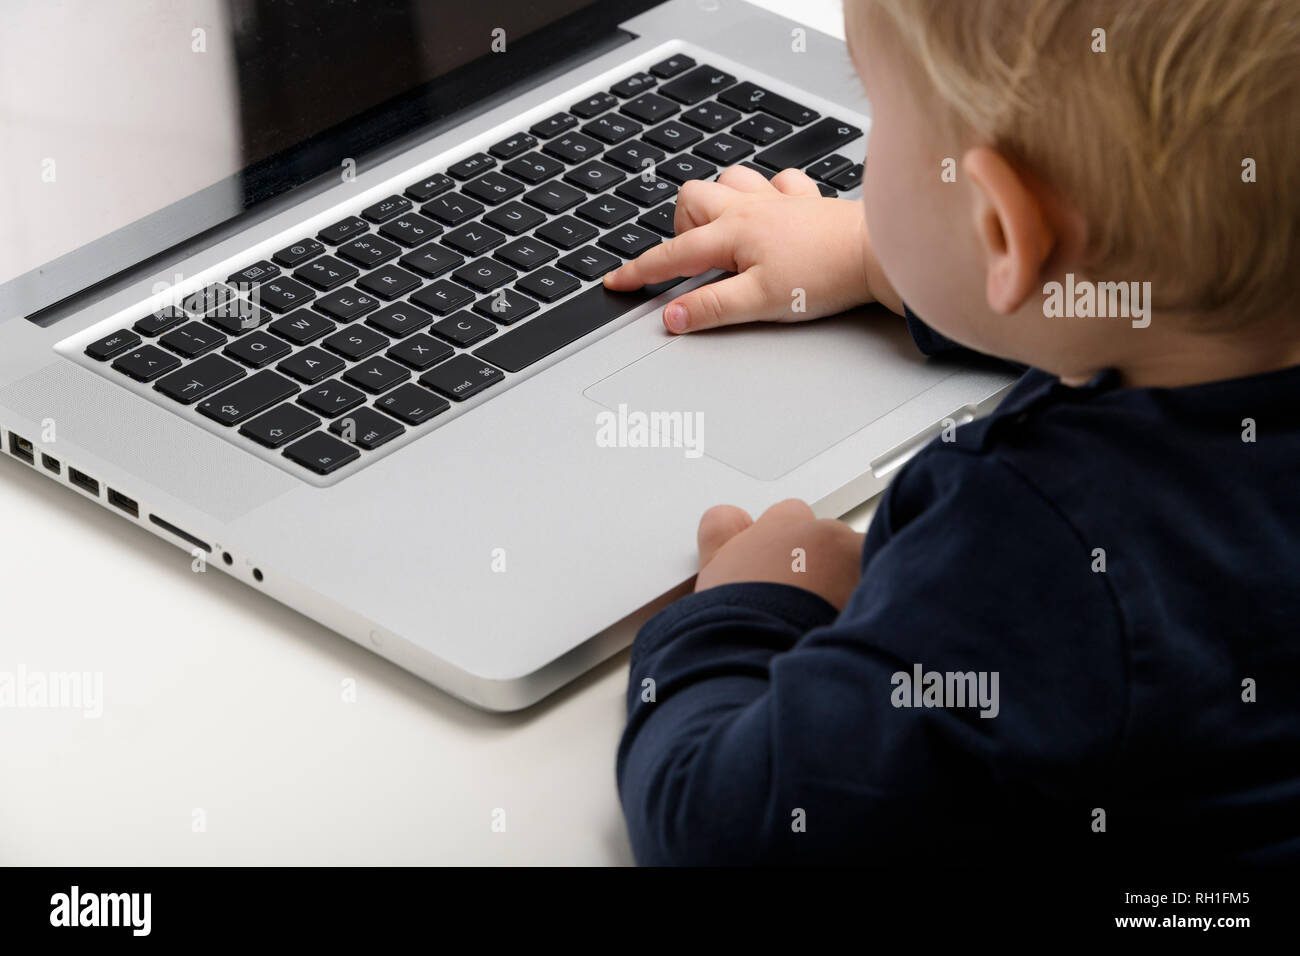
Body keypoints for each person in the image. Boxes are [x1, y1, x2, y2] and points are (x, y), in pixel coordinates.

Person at [608, 0, 1300, 865]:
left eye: (878, 111)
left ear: (1001, 228)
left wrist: (746, 610)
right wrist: (868, 253)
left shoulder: (1030, 564)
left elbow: (720, 829)